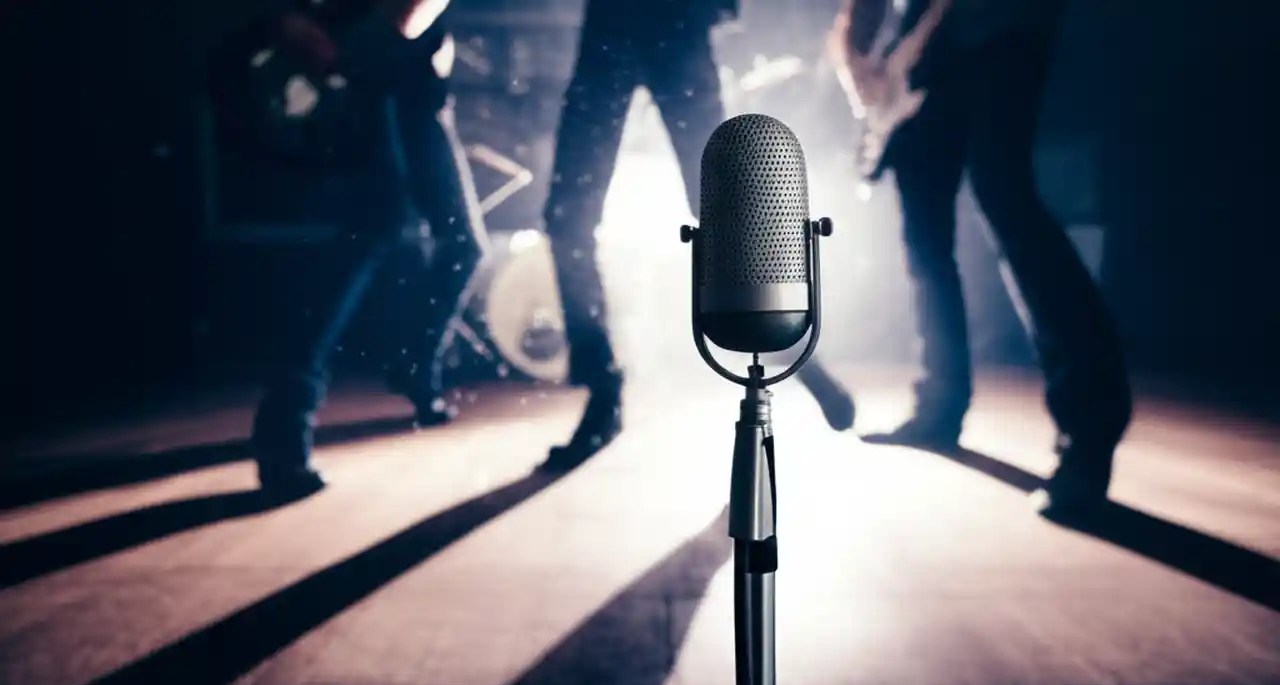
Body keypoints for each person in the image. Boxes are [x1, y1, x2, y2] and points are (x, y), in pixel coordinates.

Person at [831, 0, 1131, 515]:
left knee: (1008, 205)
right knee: (925, 240)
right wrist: (855, 60)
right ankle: (938, 406)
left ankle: (1088, 428)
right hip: (924, 64)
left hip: (997, 27)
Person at [542, 0, 856, 471]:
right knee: (708, 212)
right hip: (662, 24)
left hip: (653, 23)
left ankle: (605, 390)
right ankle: (788, 345)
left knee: (580, 217)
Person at [226, 0, 488, 493]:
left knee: (462, 244)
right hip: (365, 80)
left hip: (416, 90)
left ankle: (415, 367)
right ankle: (284, 430)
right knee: (368, 237)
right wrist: (295, 26)